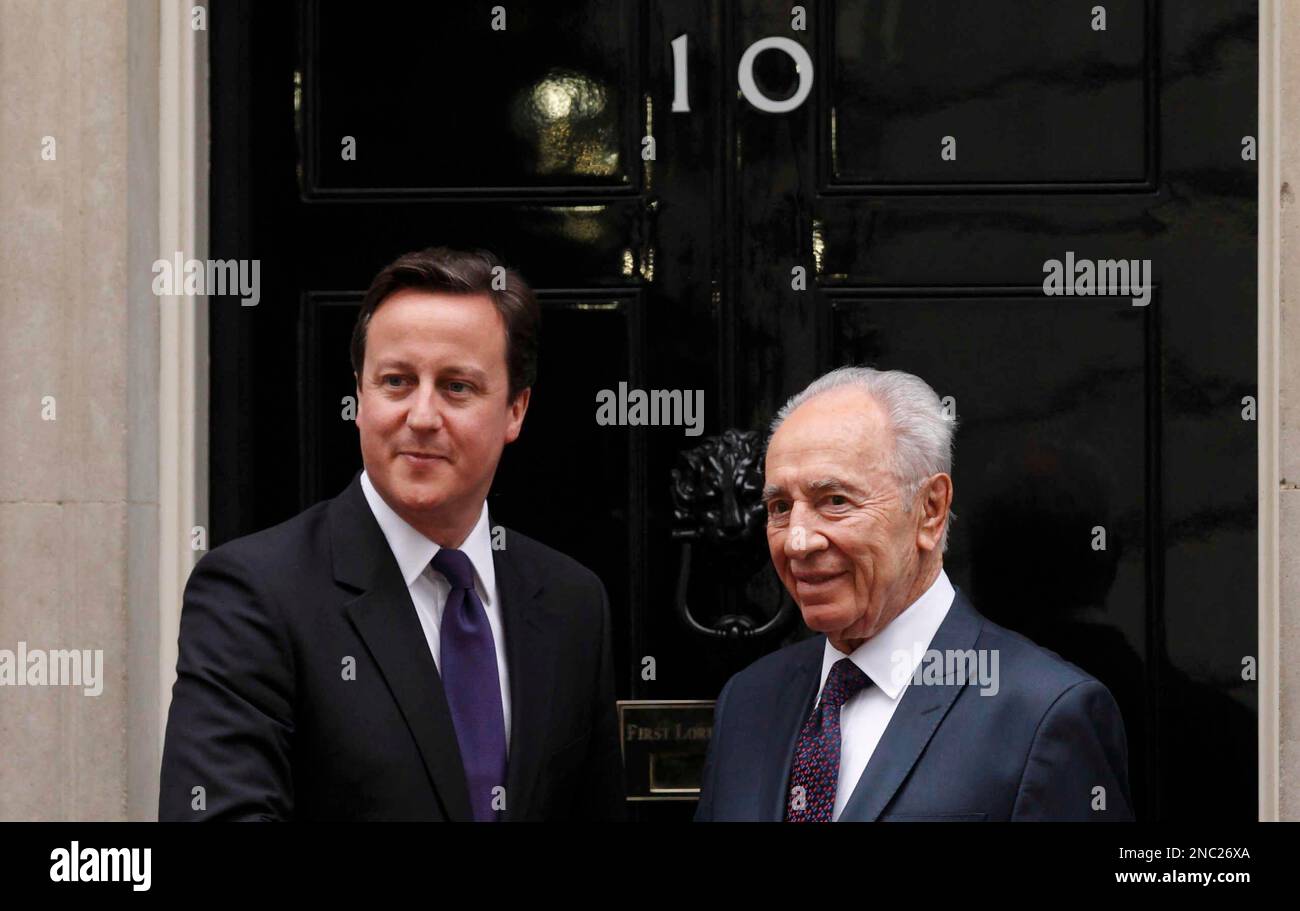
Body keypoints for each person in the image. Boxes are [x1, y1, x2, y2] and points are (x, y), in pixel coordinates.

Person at [159, 247, 625, 821]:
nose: (423, 415)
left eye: (457, 387)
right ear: (360, 396)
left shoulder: (572, 603)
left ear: (515, 411)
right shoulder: (253, 594)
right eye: (397, 381)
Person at [694, 366, 1133, 821]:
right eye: (781, 507)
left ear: (930, 510)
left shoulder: (1043, 713)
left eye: (835, 501)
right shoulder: (747, 701)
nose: (798, 541)